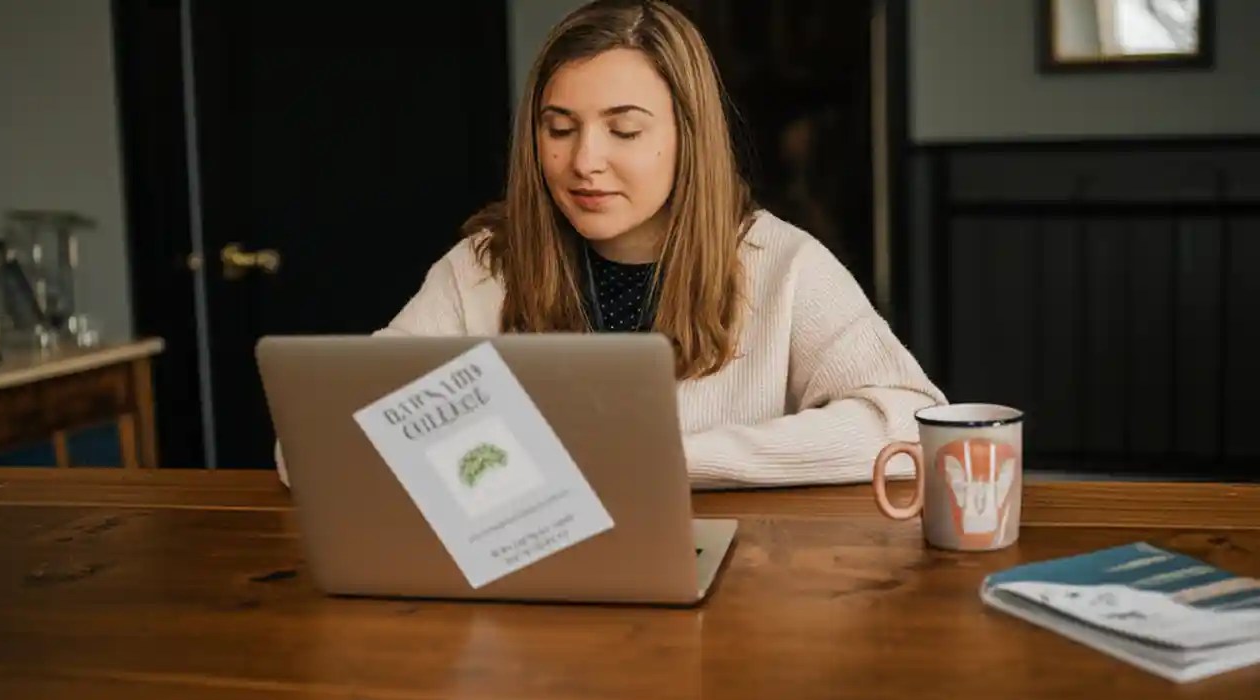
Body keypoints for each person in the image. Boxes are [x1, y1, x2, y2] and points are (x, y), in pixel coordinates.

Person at [276, 0, 945, 489]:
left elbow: (913, 423)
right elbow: (310, 443)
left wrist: (663, 460)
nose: (583, 161)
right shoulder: (484, 267)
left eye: (623, 130)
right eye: (559, 127)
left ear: (689, 136)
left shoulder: (783, 264)